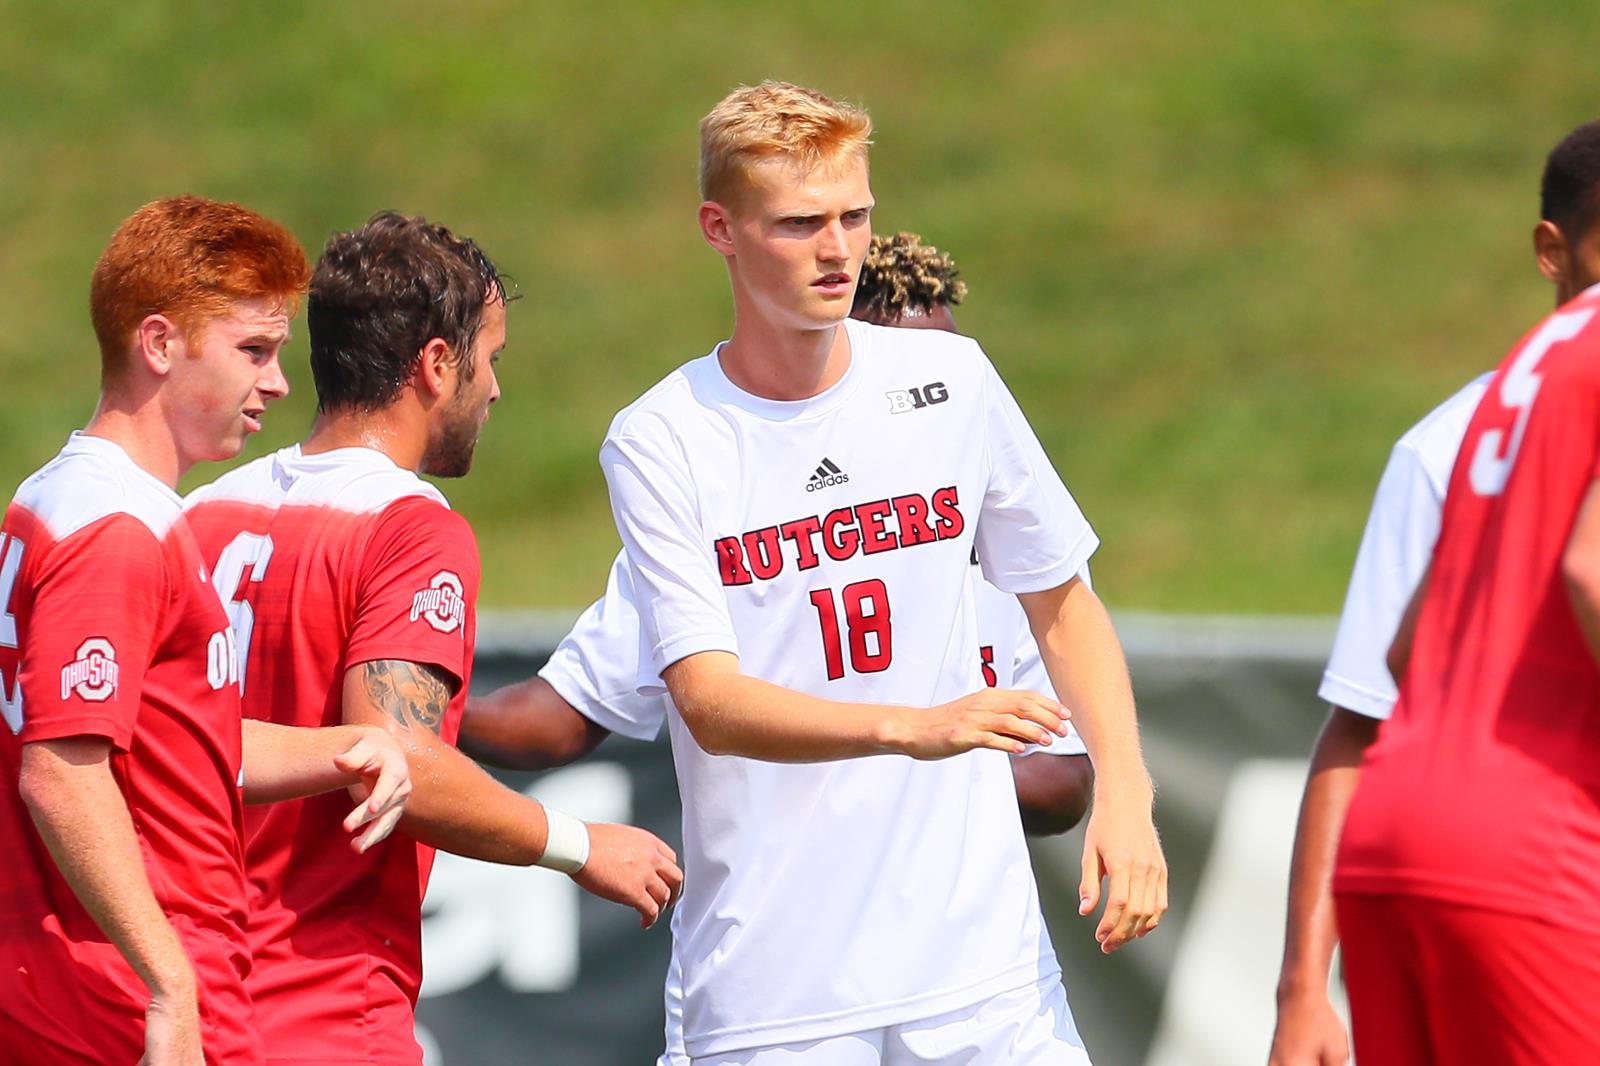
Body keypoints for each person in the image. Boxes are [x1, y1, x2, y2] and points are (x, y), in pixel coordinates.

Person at [596, 81, 1164, 1065]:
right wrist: (918, 725)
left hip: (984, 971)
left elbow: (1062, 602)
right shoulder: (661, 437)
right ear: (718, 229)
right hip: (778, 987)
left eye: (855, 216)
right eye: (799, 223)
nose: (837, 250)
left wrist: (1127, 789)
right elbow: (711, 701)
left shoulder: (954, 380)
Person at [182, 211, 683, 1066]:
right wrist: (579, 845)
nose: (494, 391)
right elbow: (398, 765)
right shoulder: (409, 528)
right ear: (436, 364)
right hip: (323, 1004)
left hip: (188, 999)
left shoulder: (199, 511)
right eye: (489, 361)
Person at [463, 230, 1094, 838]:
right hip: (773, 922)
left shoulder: (1009, 541)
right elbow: (555, 719)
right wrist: (407, 707)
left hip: (970, 934)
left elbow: (1062, 778)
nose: (934, 406)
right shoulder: (710, 512)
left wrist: (917, 760)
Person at [0, 196, 412, 1066]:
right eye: (253, 351)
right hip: (116, 994)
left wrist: (344, 749)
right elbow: (62, 774)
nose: (278, 383)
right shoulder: (116, 530)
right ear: (158, 345)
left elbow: (172, 745)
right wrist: (168, 984)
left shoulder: (60, 496)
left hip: (84, 978)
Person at [1268, 118, 1600, 1066]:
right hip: (1539, 849)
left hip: (1401, 838)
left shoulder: (1512, 386)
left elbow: (1410, 651)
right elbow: (1591, 565)